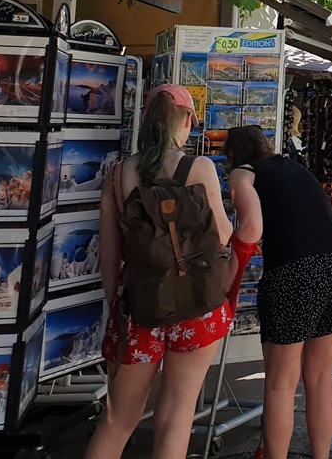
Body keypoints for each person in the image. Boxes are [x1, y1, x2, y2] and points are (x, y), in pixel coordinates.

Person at [86, 85, 240, 459]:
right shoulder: (199, 168)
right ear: (185, 121)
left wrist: (116, 306)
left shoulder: (118, 174)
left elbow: (109, 253)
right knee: (177, 416)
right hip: (196, 306)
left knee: (118, 419)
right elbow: (223, 233)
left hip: (139, 307)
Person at [224, 125, 332, 459]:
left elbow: (251, 229)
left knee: (281, 383)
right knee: (321, 376)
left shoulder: (243, 173)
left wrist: (228, 274)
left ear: (233, 155)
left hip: (294, 271)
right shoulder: (294, 168)